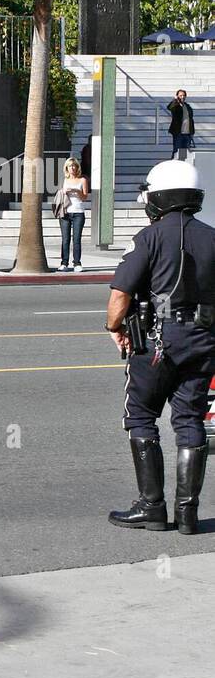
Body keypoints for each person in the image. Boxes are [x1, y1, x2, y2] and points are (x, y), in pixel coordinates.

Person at [105, 159, 215, 536]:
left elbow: (120, 293)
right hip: (202, 340)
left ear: (160, 196)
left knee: (140, 415)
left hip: (156, 342)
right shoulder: (213, 236)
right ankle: (188, 513)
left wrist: (114, 327)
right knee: (189, 420)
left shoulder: (148, 237)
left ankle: (152, 507)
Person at [54, 158, 90, 272]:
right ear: (67, 168)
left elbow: (85, 197)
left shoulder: (82, 180)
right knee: (65, 239)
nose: (72, 168)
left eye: (74, 166)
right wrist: (64, 192)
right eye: (70, 166)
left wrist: (77, 191)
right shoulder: (64, 180)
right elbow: (59, 194)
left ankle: (77, 263)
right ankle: (64, 262)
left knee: (77, 239)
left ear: (77, 167)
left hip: (78, 212)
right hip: (65, 212)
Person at [167, 89, 196, 160]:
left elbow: (191, 119)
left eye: (183, 95)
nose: (182, 97)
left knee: (185, 153)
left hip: (187, 134)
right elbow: (169, 107)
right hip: (178, 133)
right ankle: (173, 166)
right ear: (177, 96)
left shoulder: (187, 106)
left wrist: (192, 132)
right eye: (180, 95)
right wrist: (175, 100)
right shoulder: (175, 106)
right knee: (176, 151)